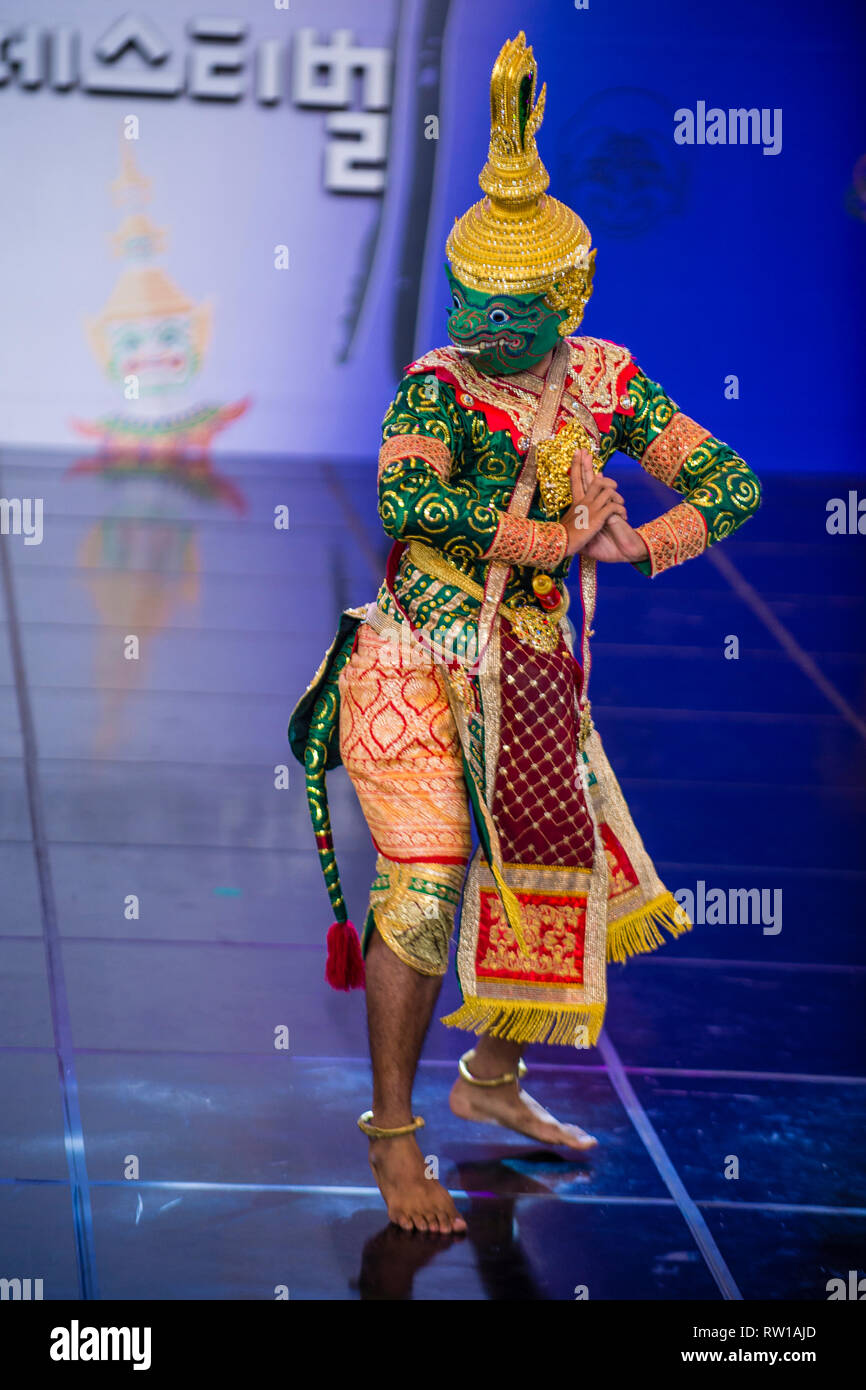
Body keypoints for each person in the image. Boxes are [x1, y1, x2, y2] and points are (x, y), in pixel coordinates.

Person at [289, 32, 761, 1235]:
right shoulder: (433, 386)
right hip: (413, 661)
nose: (469, 322)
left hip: (538, 672)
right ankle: (393, 1141)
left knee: (563, 876)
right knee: (425, 888)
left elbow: (728, 482)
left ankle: (489, 1078)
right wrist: (550, 540)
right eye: (460, 299)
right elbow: (408, 501)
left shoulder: (606, 379)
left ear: (564, 300)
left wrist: (635, 543)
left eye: (498, 310)